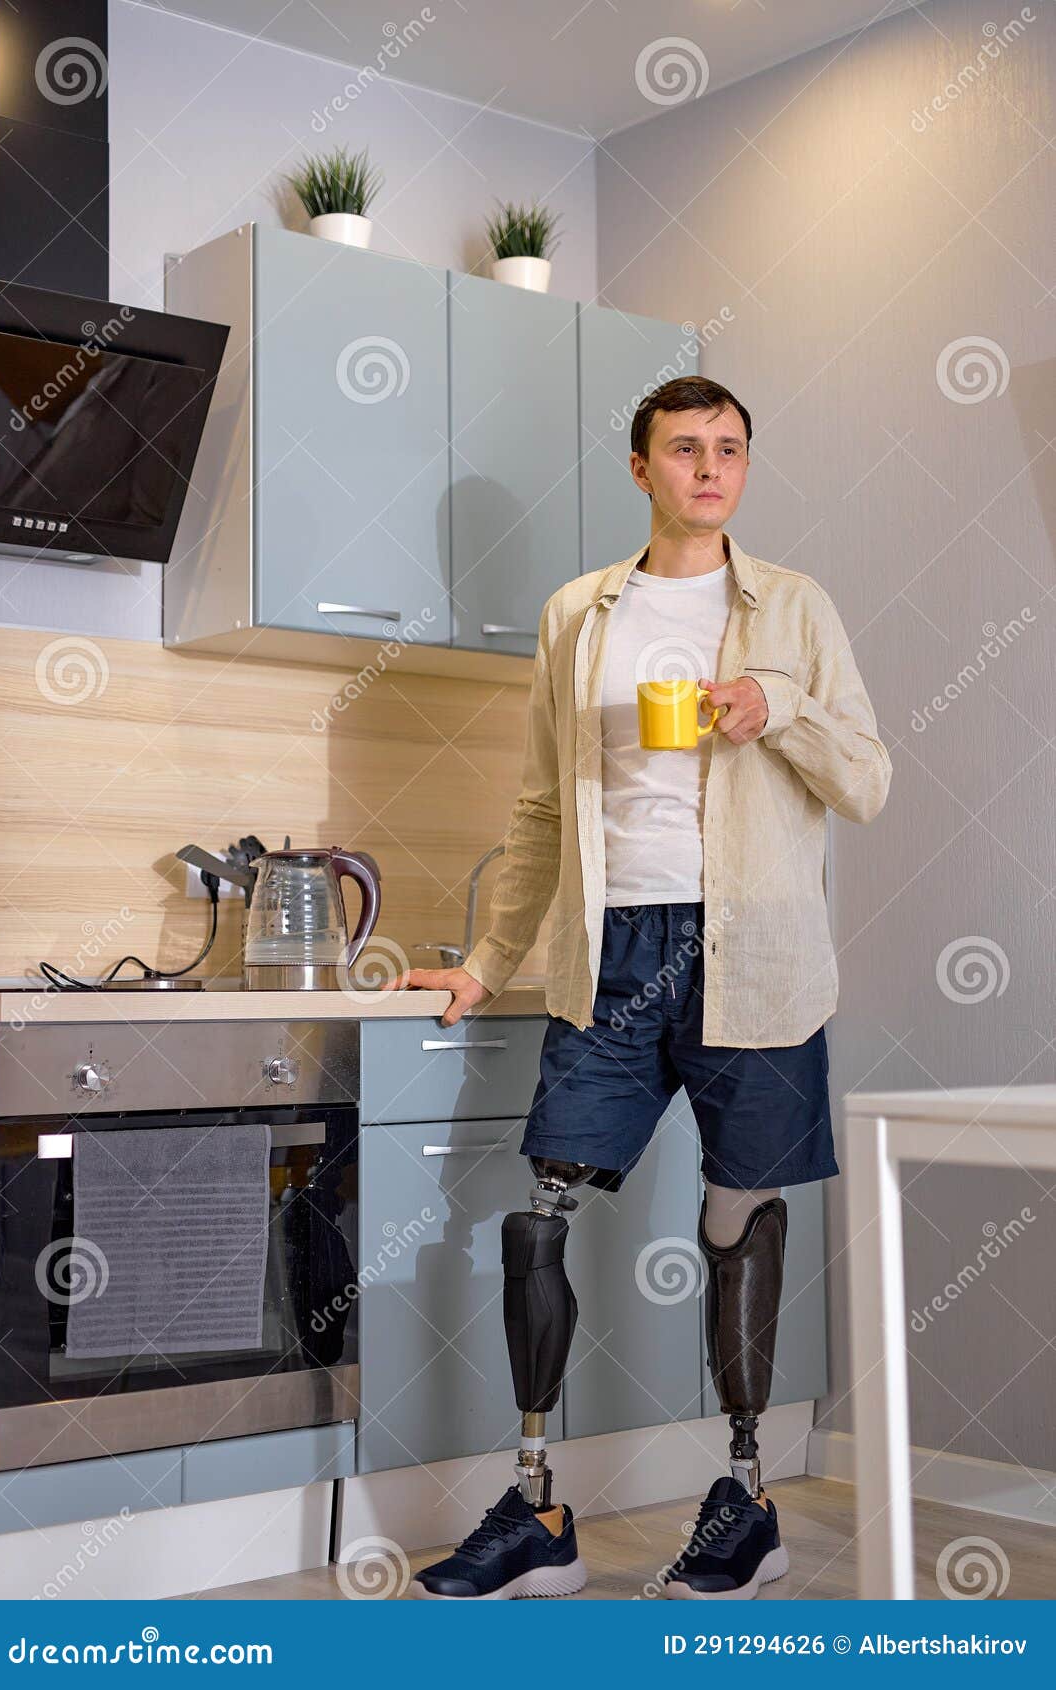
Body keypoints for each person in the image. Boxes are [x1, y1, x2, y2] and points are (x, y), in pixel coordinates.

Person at [394, 375, 891, 1600]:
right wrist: (485, 962)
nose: (709, 467)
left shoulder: (793, 608)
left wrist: (774, 707)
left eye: (728, 448)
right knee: (535, 1218)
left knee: (737, 1220)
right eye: (683, 448)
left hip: (755, 951)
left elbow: (868, 779)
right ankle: (537, 1514)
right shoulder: (580, 615)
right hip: (610, 952)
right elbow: (533, 811)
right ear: (639, 468)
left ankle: (745, 1501)